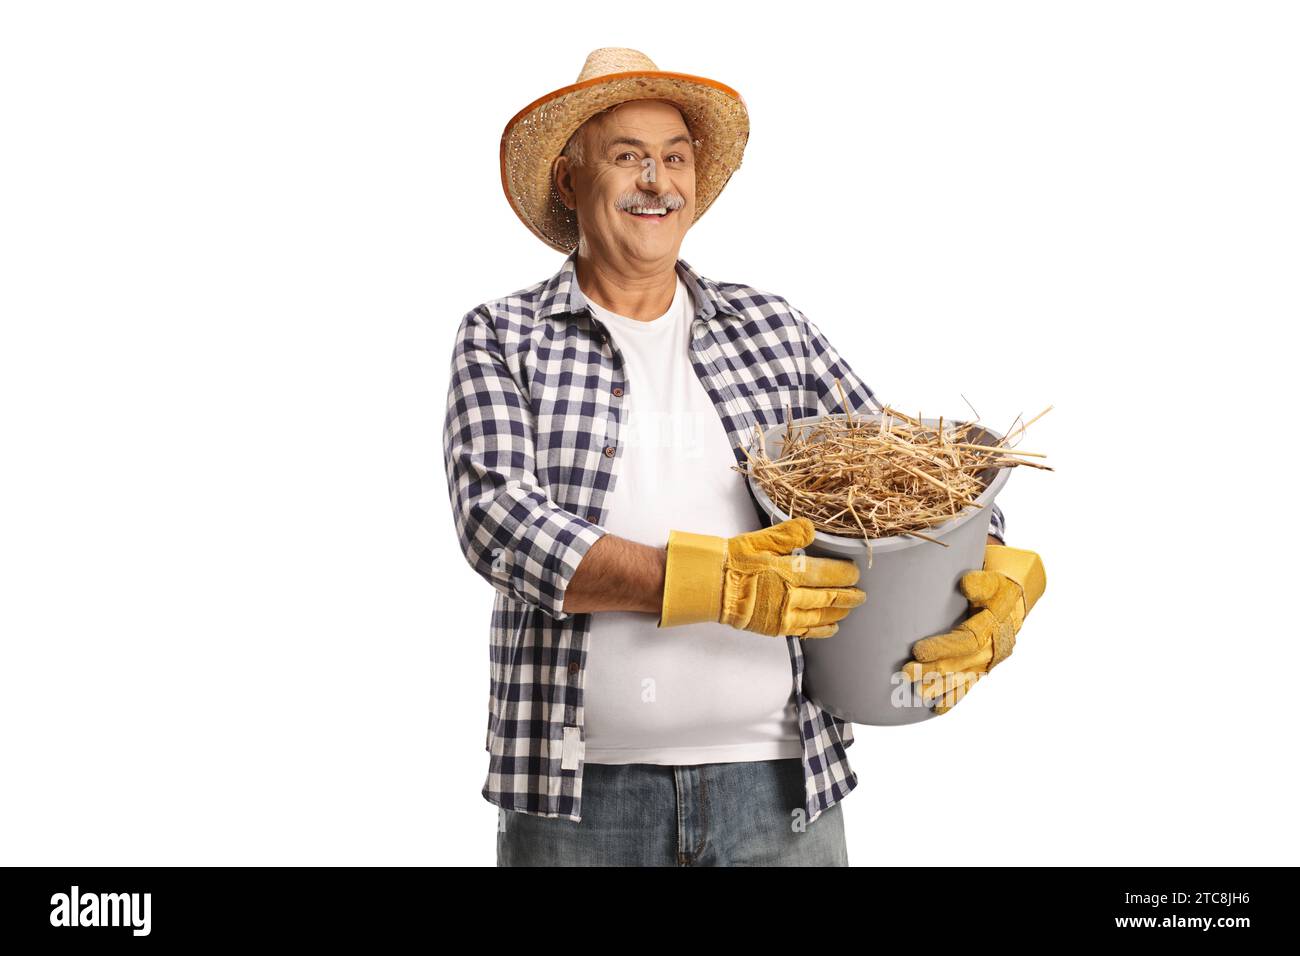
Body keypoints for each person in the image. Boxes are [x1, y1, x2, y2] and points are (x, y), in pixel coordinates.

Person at [443, 47, 1044, 866]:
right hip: (579, 802)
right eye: (627, 157)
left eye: (675, 157)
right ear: (568, 183)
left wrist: (997, 565)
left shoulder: (772, 329)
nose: (657, 180)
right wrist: (710, 584)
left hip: (779, 791)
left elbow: (905, 468)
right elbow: (498, 523)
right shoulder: (503, 336)